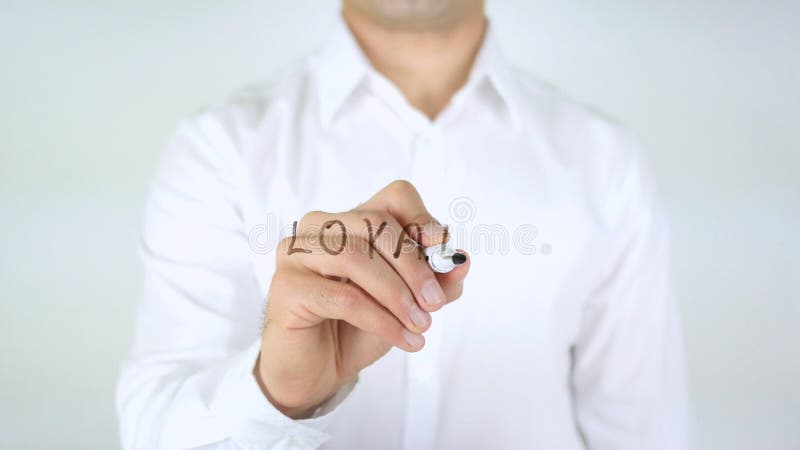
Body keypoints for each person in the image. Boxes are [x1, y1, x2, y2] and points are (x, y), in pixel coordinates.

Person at [116, 0, 689, 448]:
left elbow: (642, 432)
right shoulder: (219, 150)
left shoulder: (607, 162)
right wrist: (277, 392)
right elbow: (151, 432)